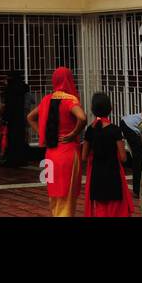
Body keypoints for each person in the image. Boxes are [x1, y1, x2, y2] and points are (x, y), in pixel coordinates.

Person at [27, 66, 86, 217]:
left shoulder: (47, 100)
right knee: (67, 193)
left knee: (54, 193)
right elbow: (82, 118)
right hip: (68, 152)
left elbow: (30, 117)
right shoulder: (70, 100)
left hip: (51, 154)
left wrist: (43, 134)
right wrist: (73, 133)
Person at [82, 92, 134, 217]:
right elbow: (123, 157)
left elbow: (83, 157)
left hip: (96, 175)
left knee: (101, 210)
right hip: (113, 175)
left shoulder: (90, 130)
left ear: (93, 110)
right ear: (110, 109)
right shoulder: (115, 130)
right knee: (114, 210)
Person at [0, 70, 30, 167]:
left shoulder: (10, 89)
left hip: (12, 119)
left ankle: (12, 160)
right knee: (21, 138)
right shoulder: (22, 88)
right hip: (21, 117)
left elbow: (9, 105)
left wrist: (5, 118)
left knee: (12, 139)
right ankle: (21, 159)